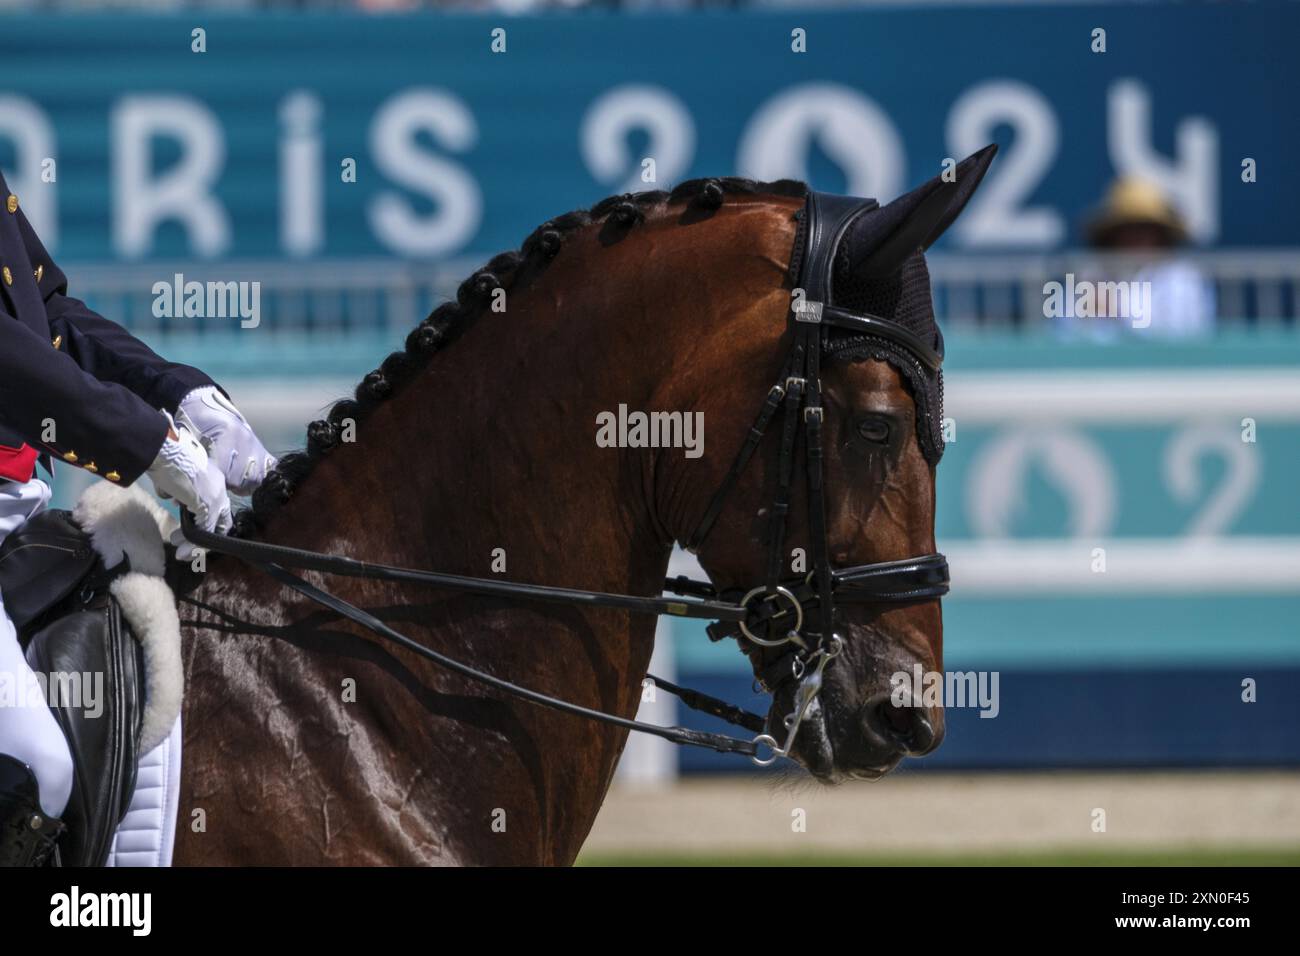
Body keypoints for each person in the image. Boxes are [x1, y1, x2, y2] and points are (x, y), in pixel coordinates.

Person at [0, 170, 275, 865]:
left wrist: (179, 394)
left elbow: (45, 313)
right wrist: (142, 442)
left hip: (19, 513)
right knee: (37, 767)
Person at [1060, 176, 1215, 340]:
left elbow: (1179, 333)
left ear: (1161, 236)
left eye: (1145, 229)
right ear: (1112, 236)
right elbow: (1063, 334)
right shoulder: (1089, 276)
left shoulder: (1182, 278)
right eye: (1127, 229)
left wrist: (1117, 307)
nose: (1136, 239)